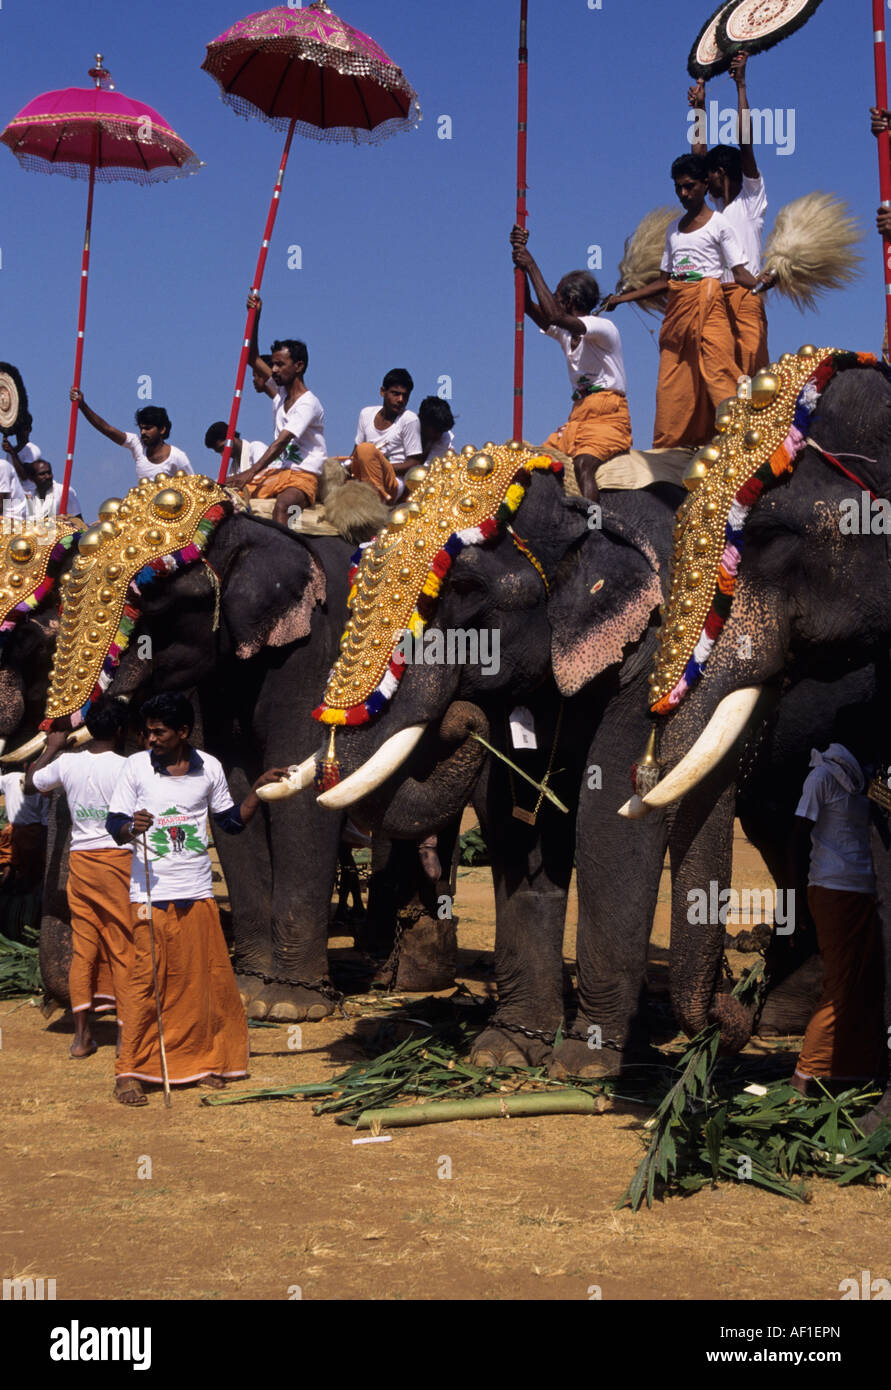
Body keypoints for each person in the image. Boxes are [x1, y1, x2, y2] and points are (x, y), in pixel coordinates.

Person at [105, 692, 288, 1106]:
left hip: (197, 892)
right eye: (147, 731)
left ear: (183, 732)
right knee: (143, 983)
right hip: (151, 894)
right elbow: (114, 824)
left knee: (202, 982)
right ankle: (129, 1071)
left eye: (159, 732)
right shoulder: (135, 767)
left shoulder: (210, 769)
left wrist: (256, 793)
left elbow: (228, 823)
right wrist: (131, 827)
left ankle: (204, 1062)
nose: (150, 738)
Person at [604, 153, 770, 450]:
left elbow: (739, 272)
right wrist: (621, 298)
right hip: (677, 315)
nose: (683, 193)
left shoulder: (720, 224)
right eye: (678, 188)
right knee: (672, 386)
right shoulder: (673, 230)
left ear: (706, 184)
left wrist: (761, 283)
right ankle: (671, 450)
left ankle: (745, 439)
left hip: (710, 306)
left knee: (720, 374)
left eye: (689, 186)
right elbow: (665, 281)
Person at [26, 698, 131, 1060]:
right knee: (123, 945)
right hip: (118, 860)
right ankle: (124, 1036)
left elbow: (31, 783)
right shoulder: (130, 767)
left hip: (81, 862)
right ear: (120, 731)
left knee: (84, 947)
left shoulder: (68, 763)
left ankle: (81, 1037)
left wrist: (51, 749)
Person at [791, 717, 885, 1094]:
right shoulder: (821, 778)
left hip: (864, 890)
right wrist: (796, 897)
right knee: (841, 986)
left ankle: (849, 1070)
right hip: (832, 889)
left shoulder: (867, 781)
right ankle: (806, 1075)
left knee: (864, 984)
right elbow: (797, 836)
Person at [511, 230, 632, 501]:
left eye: (555, 295)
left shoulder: (602, 328)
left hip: (608, 418)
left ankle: (593, 529)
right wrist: (519, 265)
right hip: (578, 417)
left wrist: (531, 264)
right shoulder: (566, 334)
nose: (551, 300)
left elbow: (552, 314)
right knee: (538, 462)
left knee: (583, 465)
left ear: (570, 302)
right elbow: (530, 309)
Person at [690, 51, 770, 375]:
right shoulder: (718, 213)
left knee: (752, 384)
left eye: (708, 175)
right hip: (715, 305)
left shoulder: (752, 198)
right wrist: (698, 110)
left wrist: (740, 86)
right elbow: (697, 162)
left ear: (722, 172)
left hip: (746, 298)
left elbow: (746, 140)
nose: (701, 181)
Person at [237, 292, 328, 525]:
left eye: (280, 364)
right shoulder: (281, 392)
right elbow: (251, 357)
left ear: (299, 366)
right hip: (277, 473)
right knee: (229, 494)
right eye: (273, 365)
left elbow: (280, 443)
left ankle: (282, 560)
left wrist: (251, 472)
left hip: (303, 477)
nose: (274, 370)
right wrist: (256, 316)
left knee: (283, 507)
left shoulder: (308, 403)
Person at [69, 390, 193, 483]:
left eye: (148, 428)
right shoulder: (137, 443)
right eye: (141, 428)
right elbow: (107, 429)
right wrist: (83, 406)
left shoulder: (178, 457)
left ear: (162, 429)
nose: (143, 432)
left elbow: (194, 487)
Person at [350, 369, 424, 504]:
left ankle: (372, 505)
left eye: (405, 396)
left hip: (392, 482)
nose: (400, 400)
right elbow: (355, 453)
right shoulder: (366, 414)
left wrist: (381, 466)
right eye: (395, 394)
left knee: (367, 450)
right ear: (382, 392)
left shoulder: (409, 419)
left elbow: (414, 462)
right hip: (364, 475)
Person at [0, 764, 49, 889]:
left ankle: (24, 889)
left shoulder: (44, 788)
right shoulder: (12, 778)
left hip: (31, 831)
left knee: (27, 865)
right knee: (9, 860)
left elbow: (45, 818)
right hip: (13, 829)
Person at [2, 449, 82, 519]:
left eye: (49, 472)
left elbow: (78, 521)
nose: (47, 476)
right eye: (42, 474)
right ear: (31, 478)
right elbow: (30, 522)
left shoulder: (63, 491)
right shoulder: (30, 497)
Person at [418, 396, 456, 464]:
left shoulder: (445, 438)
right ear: (423, 422)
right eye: (436, 431)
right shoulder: (405, 432)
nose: (439, 435)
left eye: (442, 431)